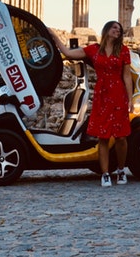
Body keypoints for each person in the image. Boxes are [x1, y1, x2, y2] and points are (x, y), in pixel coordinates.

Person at [51, 21, 134, 187]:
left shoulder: (124, 51)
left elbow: (126, 76)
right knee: (102, 137)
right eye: (114, 27)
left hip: (118, 94)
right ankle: (104, 174)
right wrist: (53, 35)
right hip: (102, 95)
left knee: (121, 137)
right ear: (106, 30)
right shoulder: (93, 49)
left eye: (120, 29)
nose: (117, 31)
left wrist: (131, 99)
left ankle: (121, 169)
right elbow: (68, 53)